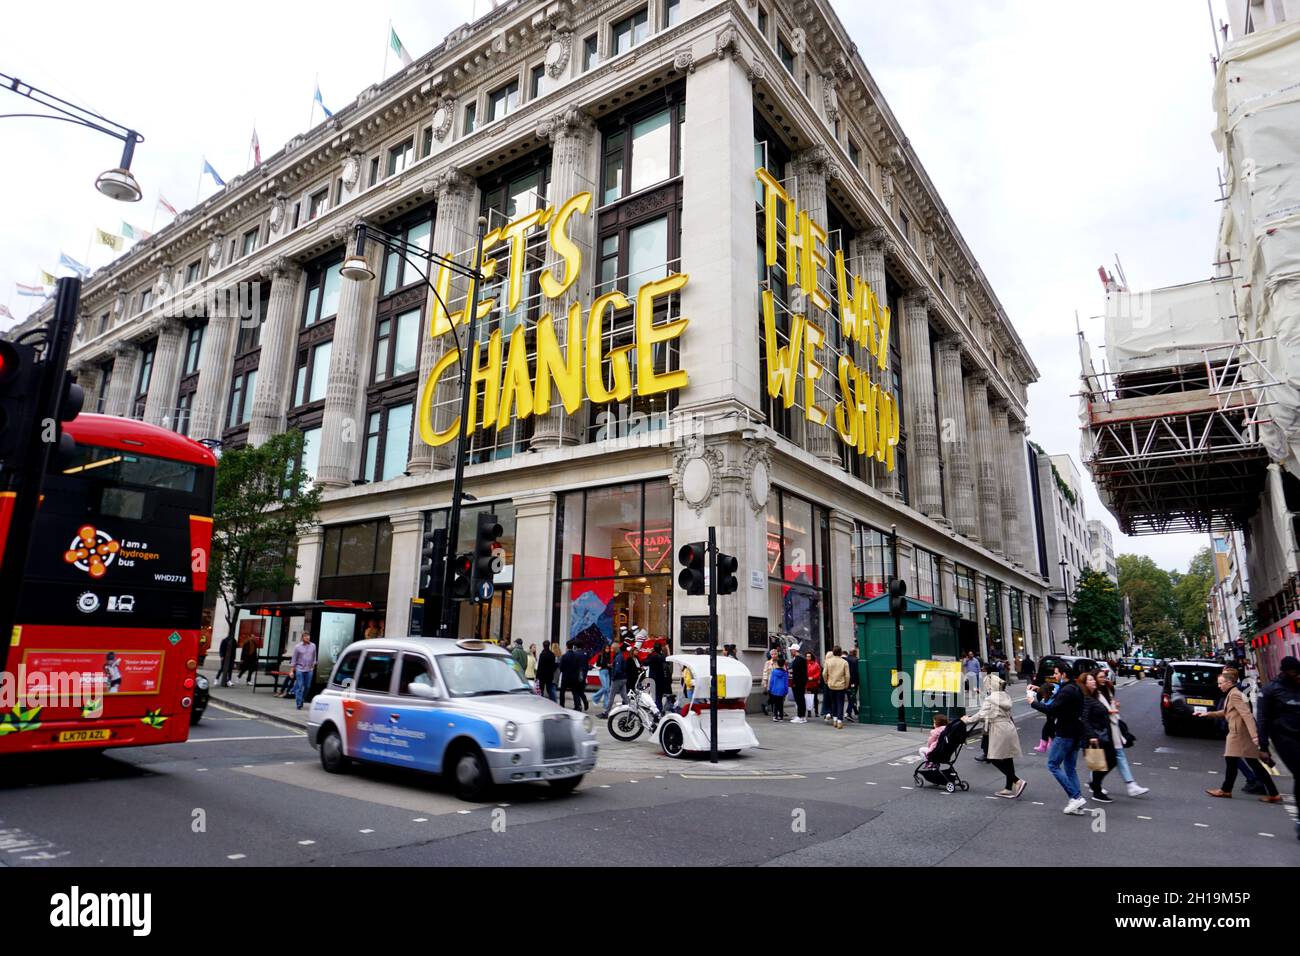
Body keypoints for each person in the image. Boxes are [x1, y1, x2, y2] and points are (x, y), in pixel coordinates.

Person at [1200, 666, 1279, 801]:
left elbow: (1246, 715)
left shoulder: (1235, 694)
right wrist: (1208, 714)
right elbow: (1227, 712)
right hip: (1239, 733)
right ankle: (1273, 793)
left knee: (1234, 761)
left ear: (1229, 682)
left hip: (1239, 734)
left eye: (1221, 683)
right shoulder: (1232, 693)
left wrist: (1255, 736)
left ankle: (1226, 790)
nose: (1219, 686)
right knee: (1250, 763)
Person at [1029, 662, 1090, 814]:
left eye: (1056, 673)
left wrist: (1033, 703)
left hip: (1065, 733)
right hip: (1076, 733)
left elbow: (1052, 709)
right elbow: (1058, 698)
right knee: (1070, 769)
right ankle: (1077, 806)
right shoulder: (1074, 687)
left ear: (1063, 674)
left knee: (1053, 764)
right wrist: (1039, 689)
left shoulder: (1067, 690)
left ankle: (1075, 797)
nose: (1054, 676)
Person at [1256, 656, 1300, 840]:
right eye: (1294, 673)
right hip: (1285, 738)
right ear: (1284, 671)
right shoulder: (1270, 691)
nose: (1298, 676)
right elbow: (1263, 719)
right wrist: (1263, 746)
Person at [963, 674, 1026, 798]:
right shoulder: (1005, 695)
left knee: (992, 757)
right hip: (1009, 727)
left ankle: (1017, 781)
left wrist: (967, 719)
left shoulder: (990, 699)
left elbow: (981, 715)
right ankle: (1008, 788)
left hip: (998, 729)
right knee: (1008, 758)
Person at [1096, 673, 1149, 797]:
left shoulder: (1106, 689)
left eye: (1104, 677)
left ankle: (1130, 784)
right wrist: (1109, 710)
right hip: (1105, 729)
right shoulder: (1094, 693)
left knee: (1117, 755)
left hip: (1113, 726)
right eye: (1100, 677)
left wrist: (1114, 705)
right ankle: (1096, 783)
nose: (1104, 679)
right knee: (1110, 756)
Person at [1080, 670, 1117, 803]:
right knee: (1100, 764)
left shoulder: (1094, 696)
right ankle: (1096, 790)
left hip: (1102, 735)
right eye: (1090, 680)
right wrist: (1091, 735)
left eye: (1093, 679)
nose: (1094, 681)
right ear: (1084, 684)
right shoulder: (1086, 699)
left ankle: (1095, 786)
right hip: (1093, 737)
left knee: (1111, 760)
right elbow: (1083, 719)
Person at [823, 646, 850, 729]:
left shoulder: (828, 662)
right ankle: (839, 721)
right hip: (841, 685)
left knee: (833, 703)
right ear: (840, 652)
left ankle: (834, 720)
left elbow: (824, 673)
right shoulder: (844, 662)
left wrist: (826, 681)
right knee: (840, 703)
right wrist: (846, 684)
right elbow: (847, 676)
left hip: (831, 685)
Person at [558, 641, 587, 712]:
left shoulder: (564, 656)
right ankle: (577, 706)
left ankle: (562, 705)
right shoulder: (576, 656)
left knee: (562, 692)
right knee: (575, 692)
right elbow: (579, 667)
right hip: (574, 677)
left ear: (567, 646)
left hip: (565, 677)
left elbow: (561, 668)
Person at [290, 633, 316, 710]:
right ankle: (299, 703)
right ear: (302, 638)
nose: (307, 637)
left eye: (308, 636)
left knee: (307, 686)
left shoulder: (313, 646)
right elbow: (294, 659)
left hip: (309, 669)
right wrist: (291, 671)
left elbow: (314, 657)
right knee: (300, 686)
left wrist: (313, 666)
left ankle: (301, 699)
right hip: (299, 669)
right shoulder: (297, 647)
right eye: (305, 636)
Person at [1032, 678, 1058, 754]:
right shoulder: (1053, 694)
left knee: (1048, 730)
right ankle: (1047, 744)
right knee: (1048, 730)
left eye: (1043, 694)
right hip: (1051, 719)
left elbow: (1045, 707)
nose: (1043, 696)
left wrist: (1032, 702)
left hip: (1054, 719)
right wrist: (1037, 689)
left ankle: (1045, 745)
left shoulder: (1052, 700)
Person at [647, 641, 671, 713]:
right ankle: (660, 709)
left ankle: (657, 712)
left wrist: (649, 654)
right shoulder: (663, 656)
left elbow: (645, 662)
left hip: (654, 679)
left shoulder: (653, 657)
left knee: (655, 697)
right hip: (662, 679)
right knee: (659, 697)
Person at [591, 641, 615, 711]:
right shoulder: (600, 655)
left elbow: (609, 664)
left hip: (608, 672)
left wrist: (610, 665)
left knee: (607, 689)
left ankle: (606, 705)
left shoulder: (609, 655)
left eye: (608, 648)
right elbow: (598, 664)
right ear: (604, 649)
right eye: (606, 648)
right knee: (605, 687)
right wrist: (606, 664)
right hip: (602, 672)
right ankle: (595, 698)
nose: (608, 650)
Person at [768, 655, 789, 721]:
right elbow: (786, 682)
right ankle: (781, 717)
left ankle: (775, 716)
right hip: (782, 690)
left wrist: (770, 688)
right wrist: (786, 690)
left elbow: (771, 681)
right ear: (783, 665)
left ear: (777, 664)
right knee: (781, 704)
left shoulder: (773, 672)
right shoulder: (785, 673)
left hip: (774, 689)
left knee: (775, 704)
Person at [790, 650, 809, 723]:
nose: (791, 652)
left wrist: (794, 682)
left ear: (794, 650)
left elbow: (797, 673)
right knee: (800, 699)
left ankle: (801, 716)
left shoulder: (798, 659)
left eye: (791, 650)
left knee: (799, 699)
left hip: (798, 683)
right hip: (800, 682)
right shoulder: (801, 659)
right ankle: (801, 715)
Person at [761, 647, 779, 715]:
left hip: (778, 682)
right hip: (770, 682)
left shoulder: (779, 662)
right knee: (772, 696)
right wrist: (765, 683)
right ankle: (768, 706)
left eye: (775, 654)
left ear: (777, 654)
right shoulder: (768, 663)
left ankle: (768, 706)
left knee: (776, 696)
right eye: (772, 654)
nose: (774, 655)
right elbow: (765, 673)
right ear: (770, 655)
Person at [805, 651, 822, 721]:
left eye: (809, 656)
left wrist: (813, 677)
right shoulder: (804, 664)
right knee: (808, 698)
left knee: (815, 698)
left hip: (814, 684)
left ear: (811, 657)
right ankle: (809, 712)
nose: (808, 657)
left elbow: (818, 673)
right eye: (807, 656)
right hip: (807, 684)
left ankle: (816, 712)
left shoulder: (816, 664)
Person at [846, 647, 860, 722]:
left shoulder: (845, 659)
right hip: (854, 682)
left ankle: (855, 711)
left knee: (850, 697)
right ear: (855, 653)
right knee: (852, 697)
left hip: (847, 681)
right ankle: (848, 713)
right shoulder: (856, 660)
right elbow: (857, 672)